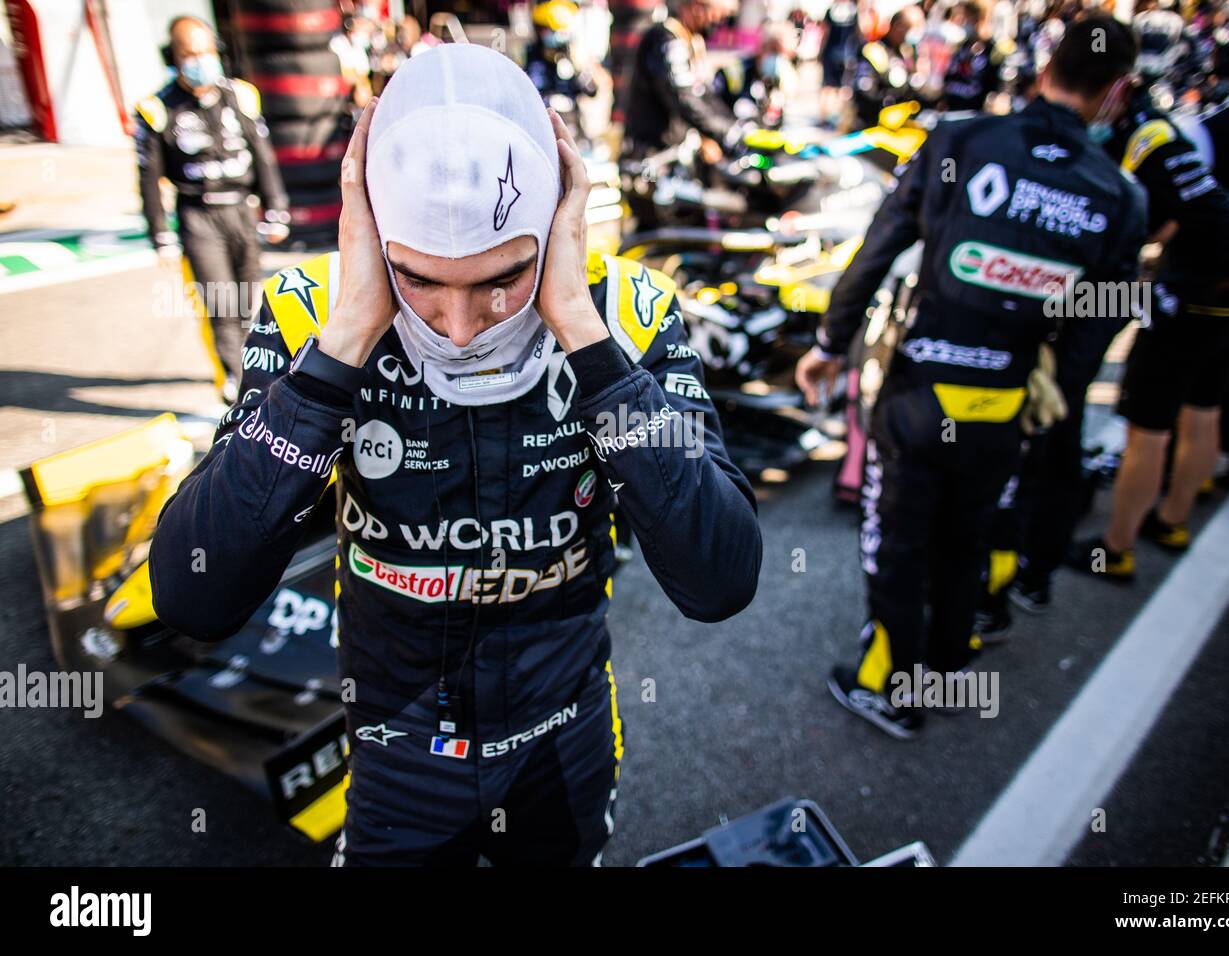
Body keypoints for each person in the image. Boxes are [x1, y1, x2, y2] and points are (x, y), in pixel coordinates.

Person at [147, 44, 762, 866]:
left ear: (557, 220)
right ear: (369, 230)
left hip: (562, 733)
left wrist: (585, 335)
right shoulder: (312, 313)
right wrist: (338, 355)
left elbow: (720, 578)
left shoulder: (626, 309)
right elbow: (193, 593)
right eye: (421, 280)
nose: (462, 327)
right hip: (396, 744)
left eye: (501, 279)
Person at [794, 16, 1147, 739]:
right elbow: (1101, 320)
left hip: (920, 395)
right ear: (1118, 93)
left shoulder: (959, 140)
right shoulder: (1119, 195)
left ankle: (889, 688)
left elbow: (880, 244)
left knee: (899, 543)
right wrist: (1057, 390)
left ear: (1045, 65)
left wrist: (832, 340)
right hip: (1005, 402)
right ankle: (950, 664)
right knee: (966, 535)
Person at [978, 46, 1229, 624]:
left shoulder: (1150, 135)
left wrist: (1167, 273)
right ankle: (1033, 565)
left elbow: (1220, 224)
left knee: (1053, 426)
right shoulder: (1099, 132)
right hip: (1115, 290)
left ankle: (1027, 573)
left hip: (1117, 298)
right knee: (1054, 431)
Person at [1069, 0, 1229, 581]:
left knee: (1149, 427)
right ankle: (1173, 518)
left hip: (1187, 291)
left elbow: (1170, 213)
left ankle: (1116, 547)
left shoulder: (1209, 129)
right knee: (1205, 409)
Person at [135, 16, 288, 403]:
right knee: (221, 301)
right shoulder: (155, 109)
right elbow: (148, 180)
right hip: (197, 216)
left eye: (205, 51)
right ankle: (238, 383)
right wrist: (161, 238)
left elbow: (263, 158)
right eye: (190, 53)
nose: (199, 60)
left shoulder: (241, 95)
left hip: (241, 209)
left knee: (251, 301)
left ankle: (259, 367)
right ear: (173, 57)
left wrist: (276, 208)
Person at [621, 0, 740, 227]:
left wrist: (733, 127)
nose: (719, 22)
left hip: (675, 160)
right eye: (717, 14)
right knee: (660, 239)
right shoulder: (666, 39)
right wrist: (728, 134)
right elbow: (683, 97)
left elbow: (704, 96)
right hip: (652, 161)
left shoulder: (687, 40)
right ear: (695, 7)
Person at [524, 0, 599, 141]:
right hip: (544, 127)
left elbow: (592, 91)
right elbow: (532, 87)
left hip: (571, 128)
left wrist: (579, 69)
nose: (553, 36)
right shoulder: (533, 55)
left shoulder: (570, 55)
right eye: (546, 30)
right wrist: (550, 100)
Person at [849, 5, 925, 127]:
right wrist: (891, 100)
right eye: (912, 29)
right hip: (873, 127)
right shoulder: (874, 51)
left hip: (900, 126)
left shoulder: (906, 52)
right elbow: (863, 92)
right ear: (898, 26)